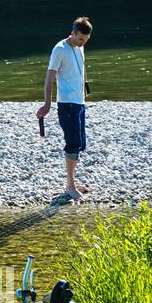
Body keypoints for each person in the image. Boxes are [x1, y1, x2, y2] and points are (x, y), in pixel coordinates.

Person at [36, 17, 92, 202]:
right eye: (80, 39)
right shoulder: (60, 49)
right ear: (73, 33)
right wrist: (47, 104)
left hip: (79, 102)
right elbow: (49, 78)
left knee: (80, 143)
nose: (82, 43)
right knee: (72, 143)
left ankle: (73, 182)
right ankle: (69, 186)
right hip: (66, 103)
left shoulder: (79, 47)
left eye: (85, 40)